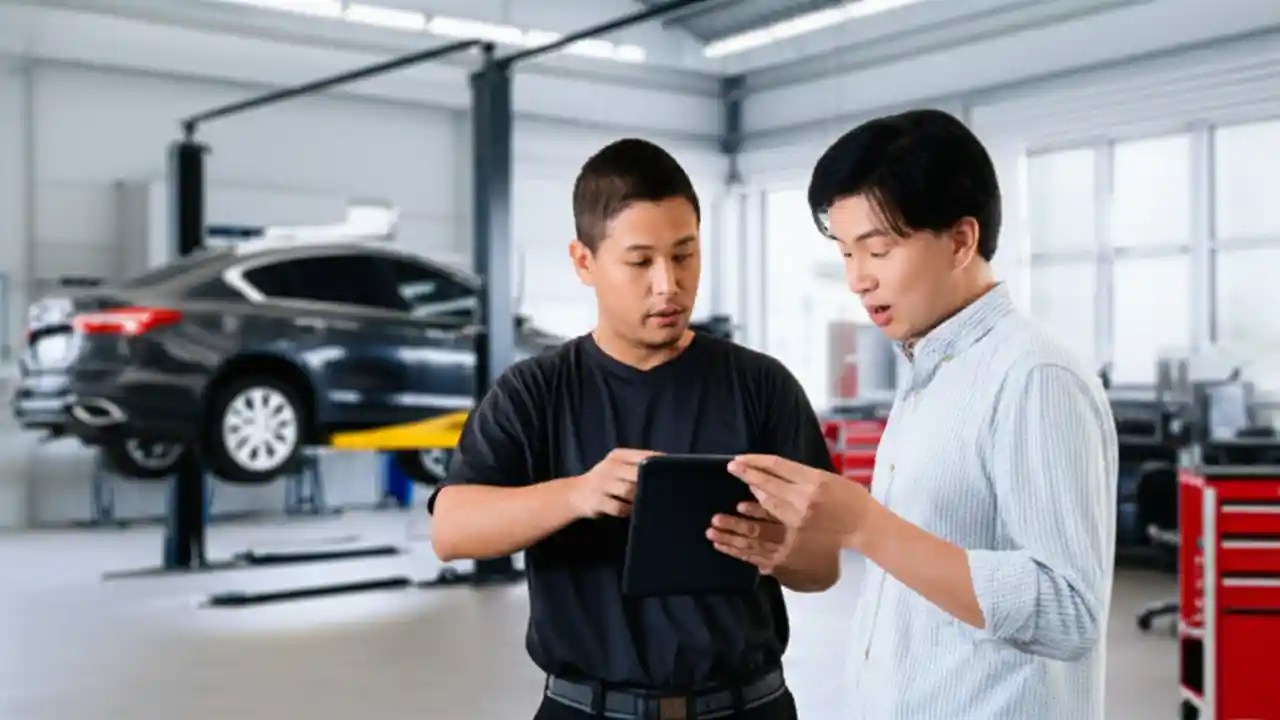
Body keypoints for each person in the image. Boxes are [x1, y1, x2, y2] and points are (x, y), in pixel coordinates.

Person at [711, 109, 1119, 718]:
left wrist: (864, 526)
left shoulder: (1034, 376)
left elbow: (1069, 612)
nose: (858, 280)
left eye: (878, 250)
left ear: (961, 241)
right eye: (846, 253)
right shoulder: (931, 370)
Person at [429, 137, 841, 720]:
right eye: (641, 261)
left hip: (747, 707)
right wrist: (578, 493)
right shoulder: (534, 392)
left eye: (684, 255)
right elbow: (451, 529)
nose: (668, 284)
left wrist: (778, 551)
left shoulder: (761, 385)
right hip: (586, 708)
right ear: (584, 262)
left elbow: (823, 566)